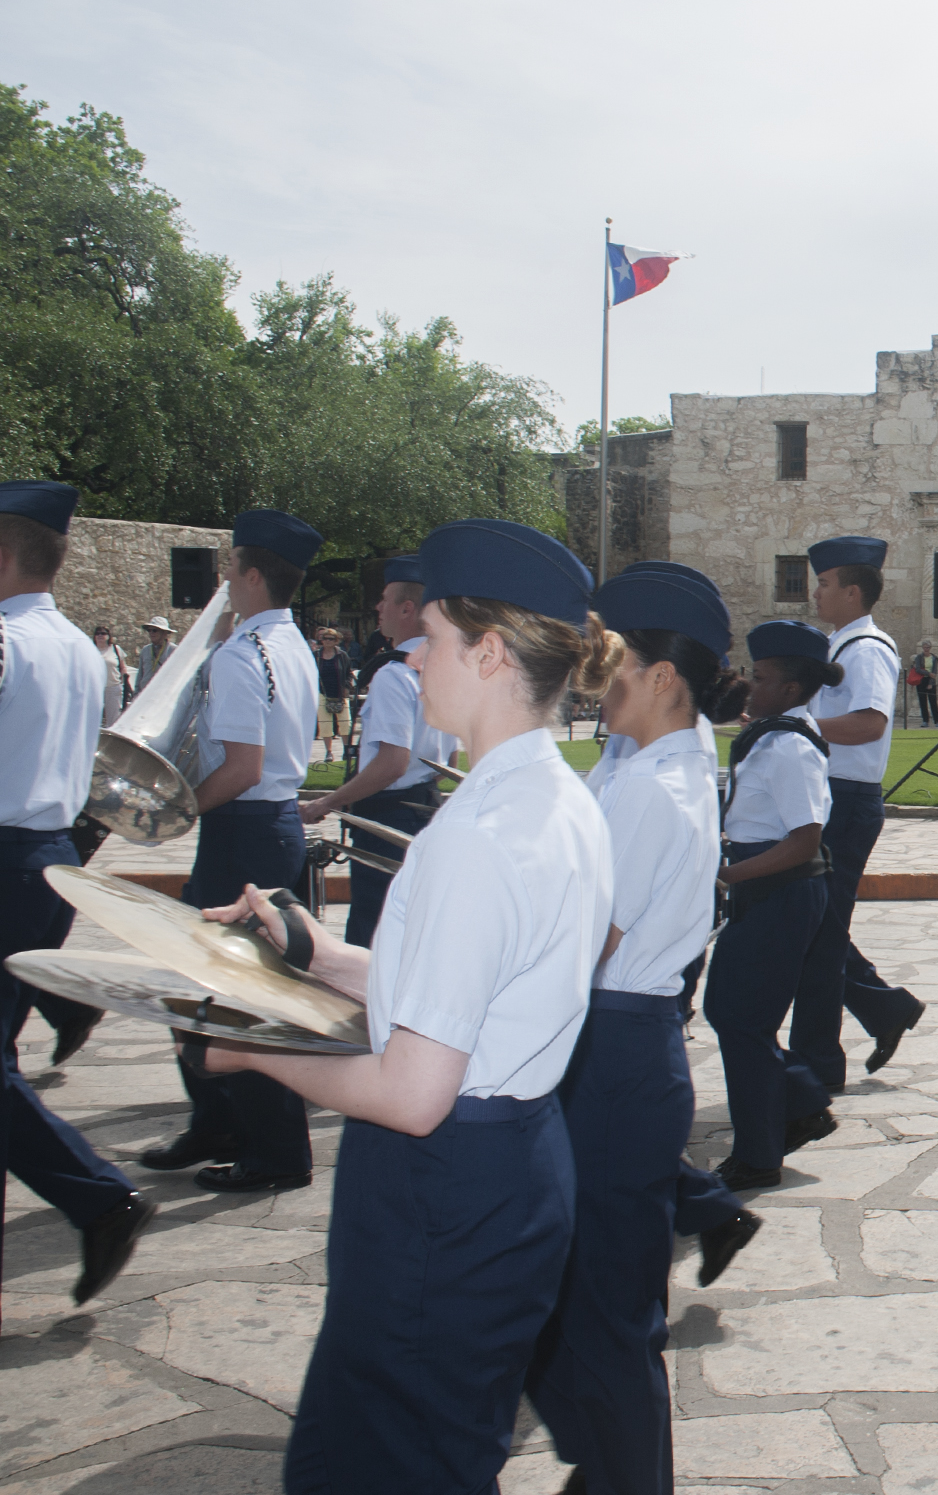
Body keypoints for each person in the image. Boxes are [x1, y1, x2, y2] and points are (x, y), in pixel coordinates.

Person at [192, 516, 618, 1494]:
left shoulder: (485, 832)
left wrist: (253, 1044)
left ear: (492, 651)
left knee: (389, 1463)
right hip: (509, 1172)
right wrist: (312, 950)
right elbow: (460, 995)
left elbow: (416, 1089)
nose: (409, 653)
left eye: (428, 635)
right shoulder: (556, 801)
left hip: (444, 1188)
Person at [527, 561, 751, 1494]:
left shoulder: (647, 792)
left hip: (611, 1050)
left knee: (607, 1316)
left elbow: (577, 949)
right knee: (578, 1302)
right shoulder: (663, 768)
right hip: (620, 1045)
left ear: (663, 678)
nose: (593, 678)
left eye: (609, 659)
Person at [0, 480, 158, 1308]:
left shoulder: (5, 639)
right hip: (50, 855)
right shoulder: (75, 647)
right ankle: (97, 1200)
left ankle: (99, 1198)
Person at [142, 510, 324, 1194]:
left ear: (250, 575)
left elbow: (242, 767)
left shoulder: (244, 655)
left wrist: (175, 809)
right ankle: (216, 1119)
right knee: (216, 988)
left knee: (233, 996)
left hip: (244, 828)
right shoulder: (288, 643)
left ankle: (273, 1149)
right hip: (266, 825)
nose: (224, 580)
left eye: (230, 568)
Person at [786, 536, 926, 1088]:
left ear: (851, 591)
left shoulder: (866, 649)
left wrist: (796, 726)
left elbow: (870, 722)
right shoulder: (841, 644)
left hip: (847, 800)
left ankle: (819, 1063)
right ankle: (883, 1009)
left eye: (823, 584)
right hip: (832, 796)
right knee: (817, 928)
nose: (815, 593)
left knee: (817, 936)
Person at [709, 620, 842, 1190]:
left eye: (760, 678)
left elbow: (804, 838)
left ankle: (760, 1154)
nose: (748, 685)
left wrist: (726, 876)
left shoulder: (791, 746)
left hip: (780, 887)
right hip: (765, 884)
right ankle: (800, 1103)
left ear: (789, 689)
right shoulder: (773, 733)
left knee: (742, 1016)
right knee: (733, 1011)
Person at [299, 558, 458, 948]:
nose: (377, 608)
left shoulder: (393, 675)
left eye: (385, 599)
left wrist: (330, 801)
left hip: (386, 817)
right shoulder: (446, 670)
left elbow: (392, 763)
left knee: (372, 934)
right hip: (425, 807)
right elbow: (448, 764)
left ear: (407, 608)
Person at [313, 627, 349, 764]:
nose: (327, 641)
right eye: (325, 638)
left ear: (336, 641)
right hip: (322, 692)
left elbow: (347, 673)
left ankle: (346, 749)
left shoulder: (342, 655)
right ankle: (328, 752)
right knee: (325, 724)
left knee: (345, 723)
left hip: (339, 691)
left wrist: (346, 688)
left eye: (331, 639)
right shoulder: (316, 655)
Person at [91, 624, 127, 725]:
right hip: (95, 689)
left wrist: (122, 684)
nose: (100, 635)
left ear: (108, 636)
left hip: (113, 687)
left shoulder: (116, 649)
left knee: (113, 720)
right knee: (93, 718)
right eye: (97, 633)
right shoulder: (90, 649)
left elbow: (123, 667)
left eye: (103, 633)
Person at [133, 616, 175, 692]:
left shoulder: (174, 651)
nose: (151, 633)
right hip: (145, 694)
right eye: (149, 630)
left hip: (163, 694)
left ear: (164, 633)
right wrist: (136, 694)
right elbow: (140, 675)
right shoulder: (145, 650)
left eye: (155, 630)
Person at [910, 639, 938, 726]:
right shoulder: (919, 657)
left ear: (930, 648)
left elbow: (934, 671)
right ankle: (925, 720)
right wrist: (928, 673)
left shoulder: (934, 658)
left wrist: (931, 683)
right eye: (925, 647)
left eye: (928, 647)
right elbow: (918, 669)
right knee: (922, 701)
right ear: (923, 648)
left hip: (930, 680)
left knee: (933, 701)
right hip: (921, 680)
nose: (926, 649)